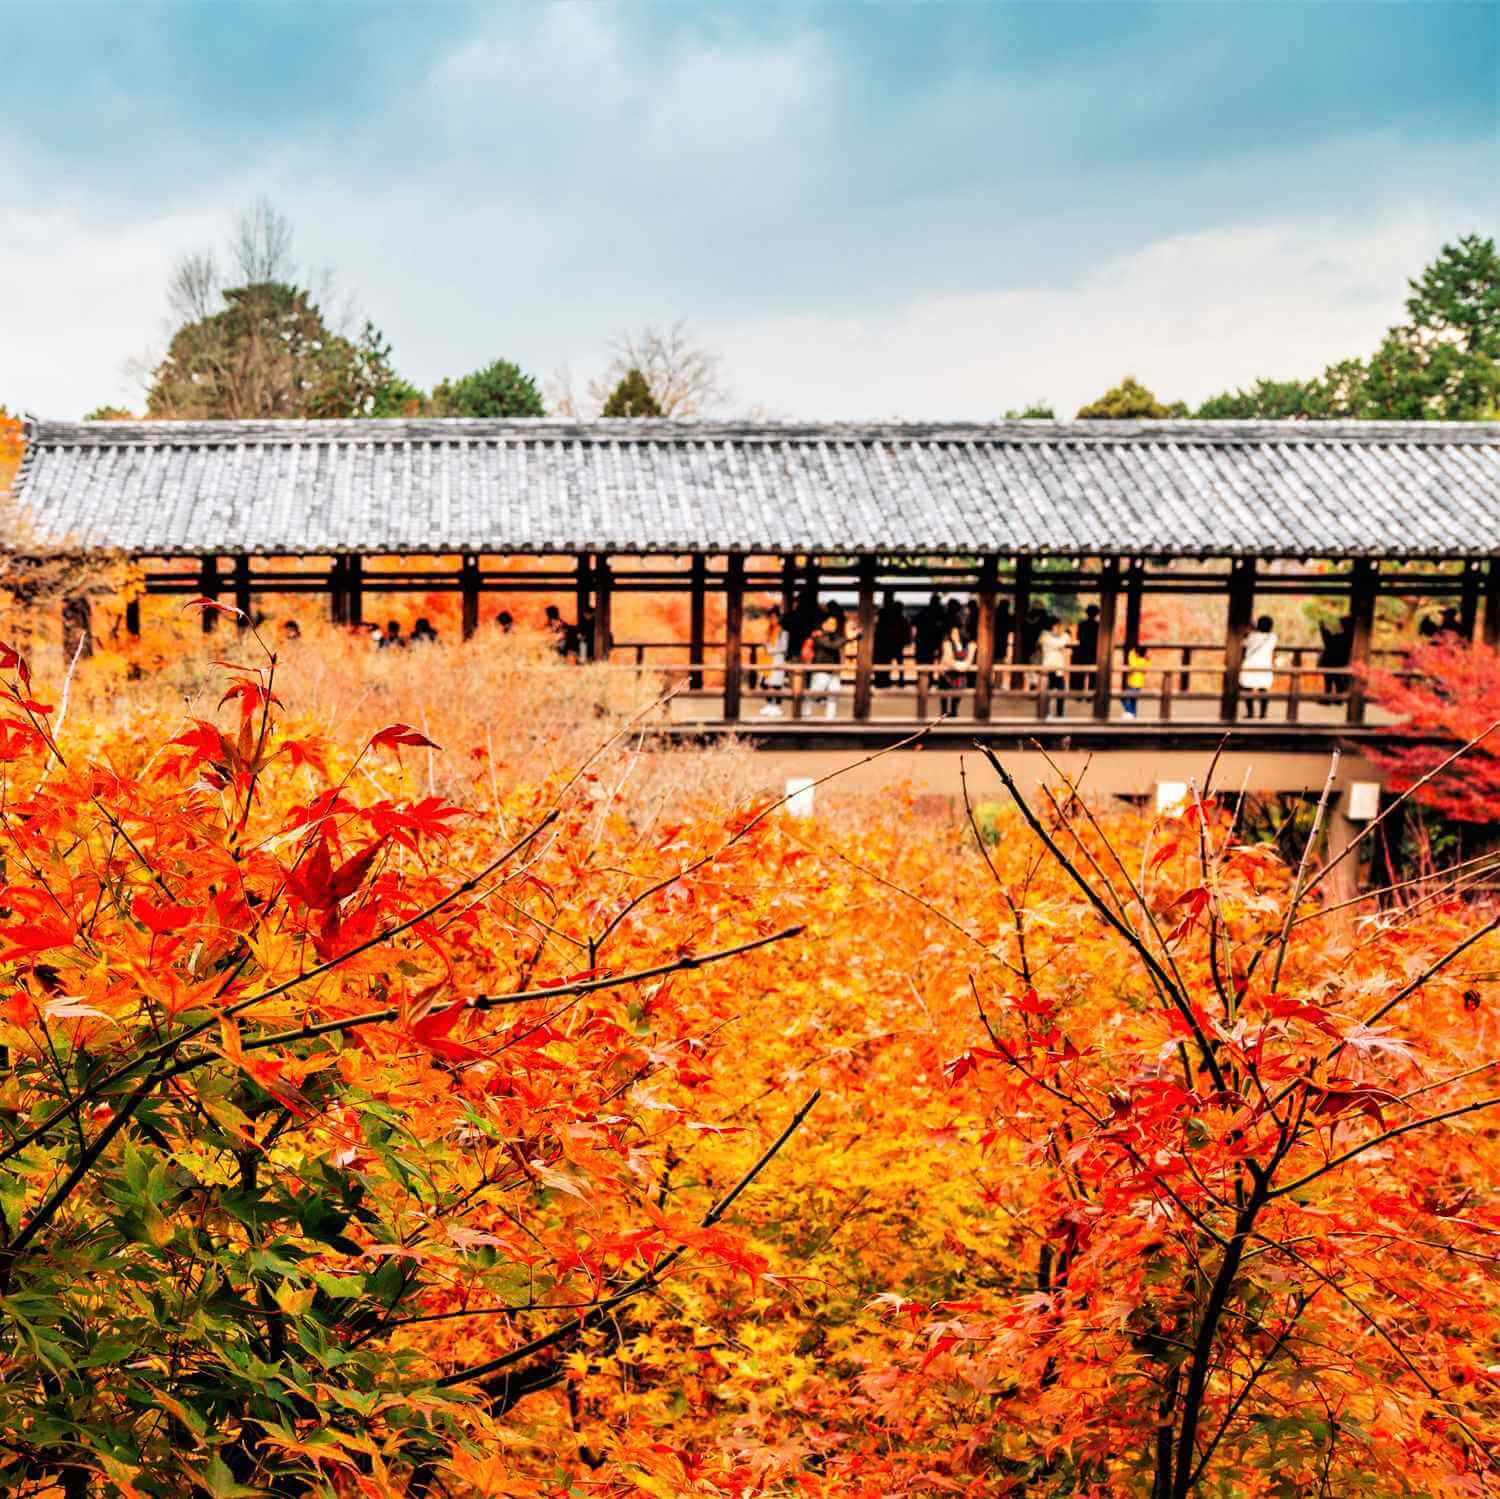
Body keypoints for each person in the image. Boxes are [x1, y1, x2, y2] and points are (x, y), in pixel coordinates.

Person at [806, 611, 845, 720]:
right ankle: (805, 714)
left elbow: (837, 643)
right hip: (821, 670)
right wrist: (850, 639)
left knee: (834, 693)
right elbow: (832, 645)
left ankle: (830, 717)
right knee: (815, 693)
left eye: (835, 624)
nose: (834, 626)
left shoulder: (835, 636)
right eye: (831, 623)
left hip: (834, 670)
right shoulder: (818, 636)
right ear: (824, 624)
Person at [1240, 614, 1277, 718]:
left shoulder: (1251, 636)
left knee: (1248, 689)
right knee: (1263, 690)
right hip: (1265, 666)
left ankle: (1250, 713)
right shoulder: (1273, 637)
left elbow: (1244, 641)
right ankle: (1263, 714)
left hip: (1250, 665)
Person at [1036, 615, 1072, 718]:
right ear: (1052, 626)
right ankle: (1046, 713)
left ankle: (1060, 714)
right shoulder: (1045, 636)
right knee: (1046, 693)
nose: (1059, 628)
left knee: (1061, 692)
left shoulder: (1053, 636)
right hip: (1048, 669)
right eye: (1057, 625)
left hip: (1057, 669)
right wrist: (1065, 635)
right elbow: (1060, 643)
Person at [938, 616, 972, 717]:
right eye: (952, 633)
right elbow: (947, 658)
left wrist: (964, 665)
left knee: (958, 693)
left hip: (960, 673)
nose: (954, 635)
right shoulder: (947, 642)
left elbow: (969, 658)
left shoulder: (967, 644)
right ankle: (943, 712)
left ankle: (954, 711)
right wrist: (959, 665)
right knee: (944, 692)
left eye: (956, 633)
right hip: (948, 671)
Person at [758, 604, 789, 717]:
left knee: (776, 684)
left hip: (777, 660)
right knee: (767, 684)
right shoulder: (769, 631)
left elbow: (784, 647)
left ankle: (777, 707)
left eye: (774, 617)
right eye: (770, 617)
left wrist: (770, 649)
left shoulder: (783, 632)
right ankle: (770, 705)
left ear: (778, 618)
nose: (772, 620)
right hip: (767, 660)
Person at [873, 592, 910, 688]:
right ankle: (895, 680)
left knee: (889, 662)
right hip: (892, 643)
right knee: (894, 662)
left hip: (890, 643)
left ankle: (889, 680)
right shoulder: (897, 617)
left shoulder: (890, 616)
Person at [1317, 614, 1352, 700]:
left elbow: (1328, 640)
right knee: (1337, 681)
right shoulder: (1348, 636)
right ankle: (1337, 699)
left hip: (1332, 661)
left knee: (1331, 681)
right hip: (1339, 661)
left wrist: (1322, 626)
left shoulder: (1342, 636)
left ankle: (1330, 698)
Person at [1071, 604, 1100, 696]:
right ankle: (1091, 695)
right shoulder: (1098, 626)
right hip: (1094, 651)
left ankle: (1079, 694)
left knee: (1080, 674)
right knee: (1093, 675)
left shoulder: (1082, 625)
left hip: (1082, 650)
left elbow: (1079, 637)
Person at [1122, 640, 1149, 719]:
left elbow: (1133, 665)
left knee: (1125, 697)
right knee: (1133, 699)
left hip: (1133, 683)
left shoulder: (1136, 658)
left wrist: (1131, 653)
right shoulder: (1146, 660)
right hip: (1139, 683)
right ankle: (1133, 714)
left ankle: (1129, 713)